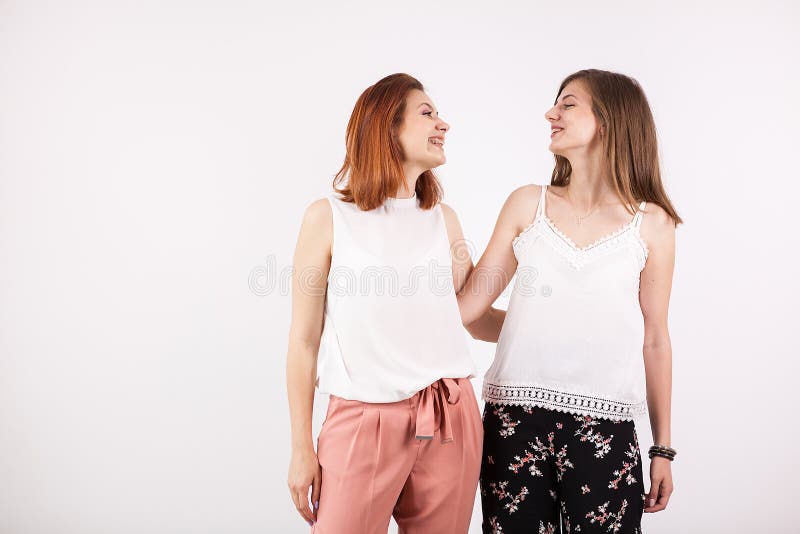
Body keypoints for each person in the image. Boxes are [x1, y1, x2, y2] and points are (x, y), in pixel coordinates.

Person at [457, 69, 682, 533]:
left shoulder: (652, 225)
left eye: (567, 104)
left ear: (609, 119)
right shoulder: (526, 205)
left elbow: (655, 340)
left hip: (605, 425)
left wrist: (662, 448)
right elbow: (470, 314)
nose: (550, 114)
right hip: (513, 422)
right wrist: (442, 235)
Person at [286, 73, 503, 533]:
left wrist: (545, 323)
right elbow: (304, 342)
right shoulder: (327, 217)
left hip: (450, 416)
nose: (443, 123)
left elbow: (471, 318)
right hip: (361, 420)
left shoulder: (444, 219)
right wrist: (302, 447)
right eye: (427, 113)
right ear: (387, 125)